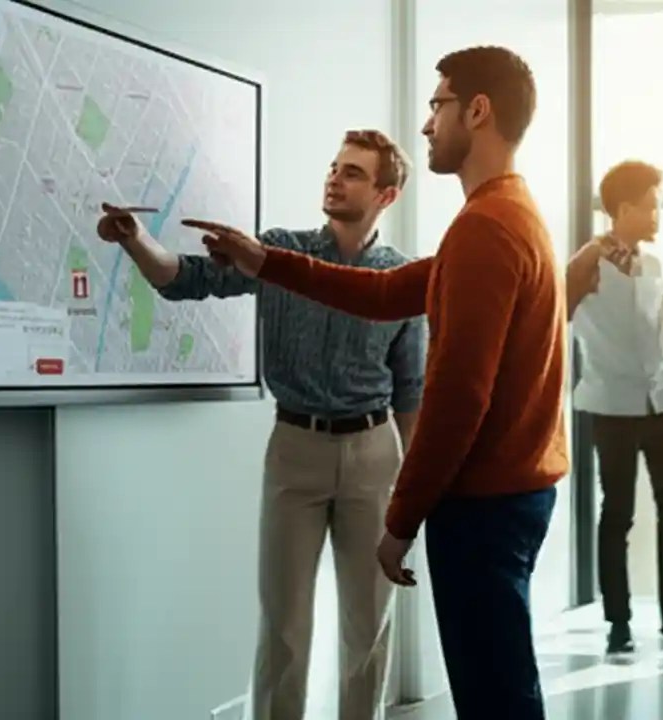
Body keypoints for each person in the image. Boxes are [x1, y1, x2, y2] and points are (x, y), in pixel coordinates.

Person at [184, 46, 566, 720]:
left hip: (485, 507)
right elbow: (387, 292)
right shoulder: (506, 215)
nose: (427, 123)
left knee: (495, 696)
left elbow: (457, 398)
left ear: (477, 111)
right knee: (503, 683)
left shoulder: (485, 228)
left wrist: (399, 518)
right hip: (514, 496)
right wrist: (267, 261)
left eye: (438, 103)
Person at [96, 130, 424, 720]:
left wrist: (413, 491)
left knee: (368, 626)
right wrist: (135, 239)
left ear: (386, 194)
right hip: (295, 448)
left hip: (376, 454)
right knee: (284, 626)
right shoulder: (278, 252)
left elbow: (411, 393)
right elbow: (184, 279)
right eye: (333, 166)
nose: (334, 177)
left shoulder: (401, 279)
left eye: (352, 172)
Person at [565, 160, 663, 655]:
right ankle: (618, 622)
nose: (657, 216)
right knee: (617, 512)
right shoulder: (586, 264)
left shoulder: (656, 265)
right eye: (651, 207)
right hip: (611, 405)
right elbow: (554, 313)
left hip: (660, 403)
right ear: (624, 209)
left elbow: (658, 337)